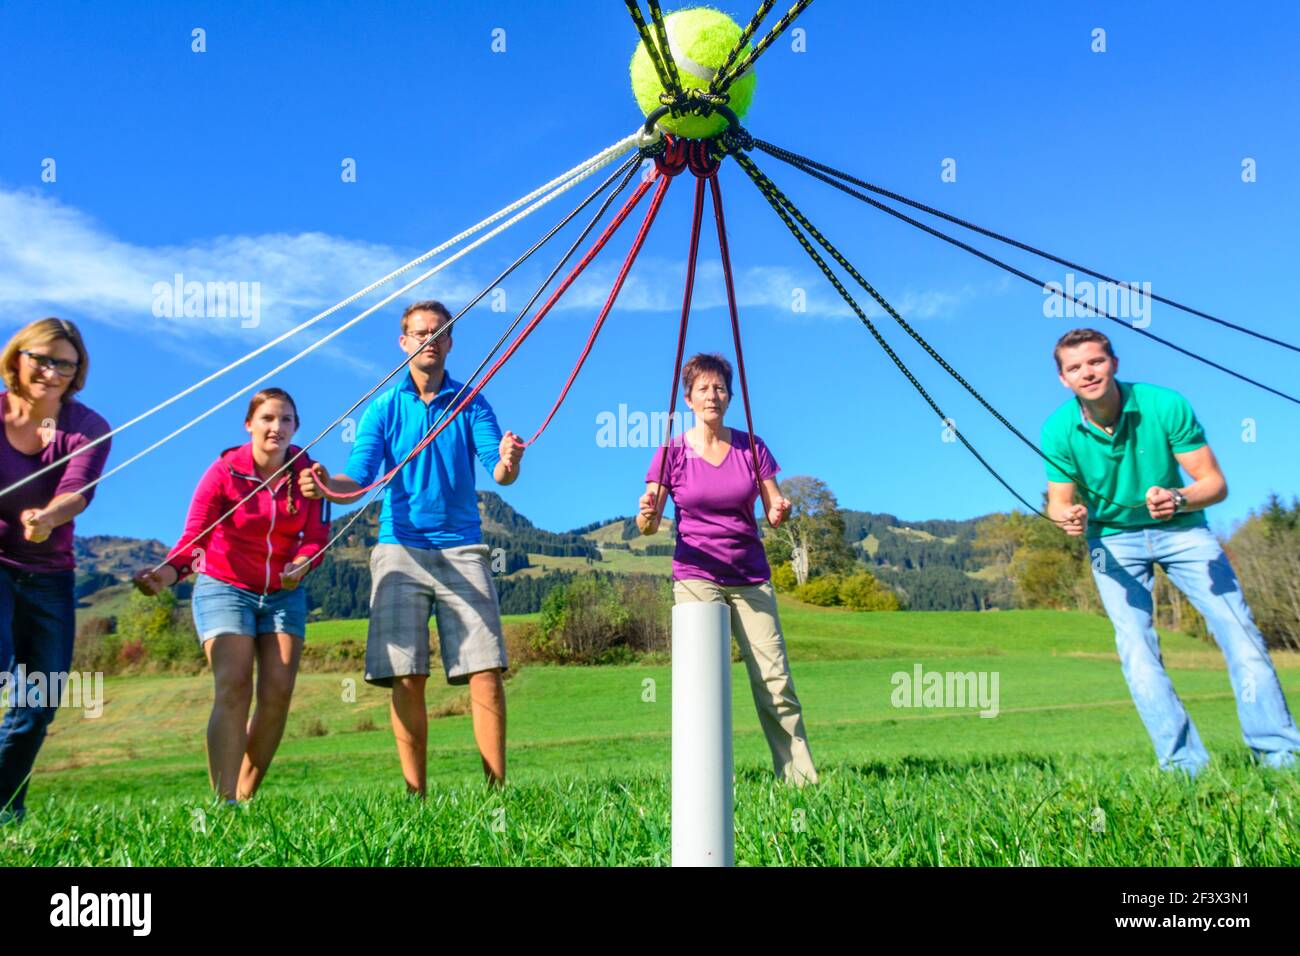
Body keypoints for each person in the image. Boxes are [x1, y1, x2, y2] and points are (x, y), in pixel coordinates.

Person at [1042, 327, 1300, 775]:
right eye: (1075, 367)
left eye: (1096, 361)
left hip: (1183, 530)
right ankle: (1184, 766)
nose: (1088, 372)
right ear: (1064, 380)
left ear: (1115, 363)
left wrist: (1180, 498)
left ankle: (1279, 755)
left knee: (1240, 632)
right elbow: (1058, 501)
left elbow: (1215, 485)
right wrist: (1067, 517)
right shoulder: (1058, 429)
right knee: (1136, 647)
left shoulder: (1164, 404)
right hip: (1111, 540)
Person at [300, 300, 524, 794]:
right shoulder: (382, 407)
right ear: (403, 344)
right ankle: (414, 795)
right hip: (398, 549)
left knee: (485, 670)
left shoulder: (472, 402)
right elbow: (357, 479)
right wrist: (325, 486)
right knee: (406, 675)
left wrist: (510, 459)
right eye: (419, 332)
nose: (429, 339)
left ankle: (496, 792)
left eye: (438, 332)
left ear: (449, 342)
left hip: (463, 547)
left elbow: (500, 471)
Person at [133, 387, 329, 801]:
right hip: (225, 587)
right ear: (249, 424)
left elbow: (316, 537)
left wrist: (304, 562)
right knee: (235, 684)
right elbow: (194, 538)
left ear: (296, 427)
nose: (277, 428)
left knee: (277, 693)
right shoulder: (223, 473)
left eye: (287, 420)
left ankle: (245, 794)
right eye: (268, 419)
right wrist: (166, 575)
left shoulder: (306, 475)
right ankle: (223, 802)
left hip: (283, 593)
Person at [637, 352, 818, 786]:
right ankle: (702, 782)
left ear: (730, 396)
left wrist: (780, 511)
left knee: (776, 681)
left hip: (750, 575)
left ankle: (799, 779)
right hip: (696, 576)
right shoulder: (671, 454)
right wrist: (645, 513)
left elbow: (774, 508)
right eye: (703, 388)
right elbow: (647, 525)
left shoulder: (752, 448)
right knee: (702, 680)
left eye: (719, 387)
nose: (712, 395)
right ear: (689, 399)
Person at [0, 318, 112, 822]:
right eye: (42, 358)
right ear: (17, 359)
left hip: (49, 576)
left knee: (37, 702)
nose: (51, 371)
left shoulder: (88, 428)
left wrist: (47, 517)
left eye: (64, 363)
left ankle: (5, 811)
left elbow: (78, 489)